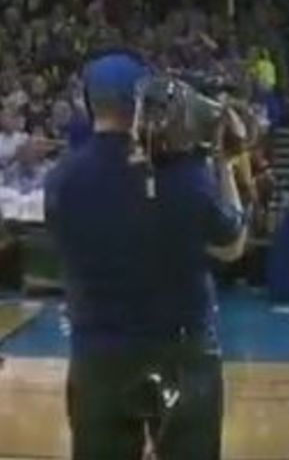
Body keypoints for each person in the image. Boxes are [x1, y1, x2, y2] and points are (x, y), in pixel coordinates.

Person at [45, 51, 249, 460]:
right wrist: (223, 166)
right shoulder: (185, 173)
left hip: (97, 353)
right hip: (182, 352)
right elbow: (231, 246)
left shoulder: (62, 180)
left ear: (89, 102)